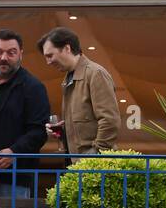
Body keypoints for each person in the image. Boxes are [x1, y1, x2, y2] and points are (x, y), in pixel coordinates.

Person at [0, 30, 51, 198]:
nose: (4, 57)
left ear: (21, 54)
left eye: (11, 53)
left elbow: (39, 132)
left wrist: (14, 151)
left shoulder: (33, 87)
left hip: (14, 179)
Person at [39, 26, 120, 155]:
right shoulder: (68, 79)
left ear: (67, 48)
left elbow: (109, 121)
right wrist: (63, 131)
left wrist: (95, 154)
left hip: (94, 168)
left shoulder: (95, 74)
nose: (48, 62)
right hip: (78, 165)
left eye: (50, 55)